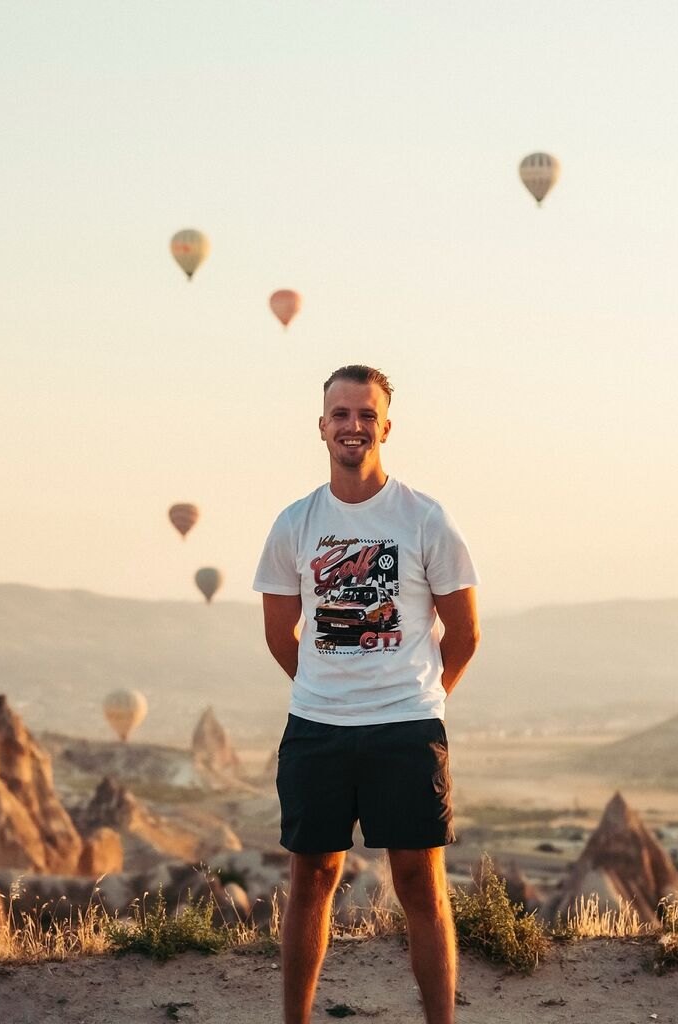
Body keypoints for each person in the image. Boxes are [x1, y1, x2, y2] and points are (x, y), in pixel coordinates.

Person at [253, 364, 480, 1024]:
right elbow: (277, 631)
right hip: (317, 729)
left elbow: (464, 633)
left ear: (386, 424)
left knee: (419, 884)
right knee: (311, 881)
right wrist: (327, 689)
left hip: (405, 730)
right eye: (340, 414)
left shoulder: (425, 518)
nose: (353, 425)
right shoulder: (295, 523)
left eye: (365, 413)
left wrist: (421, 699)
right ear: (321, 427)